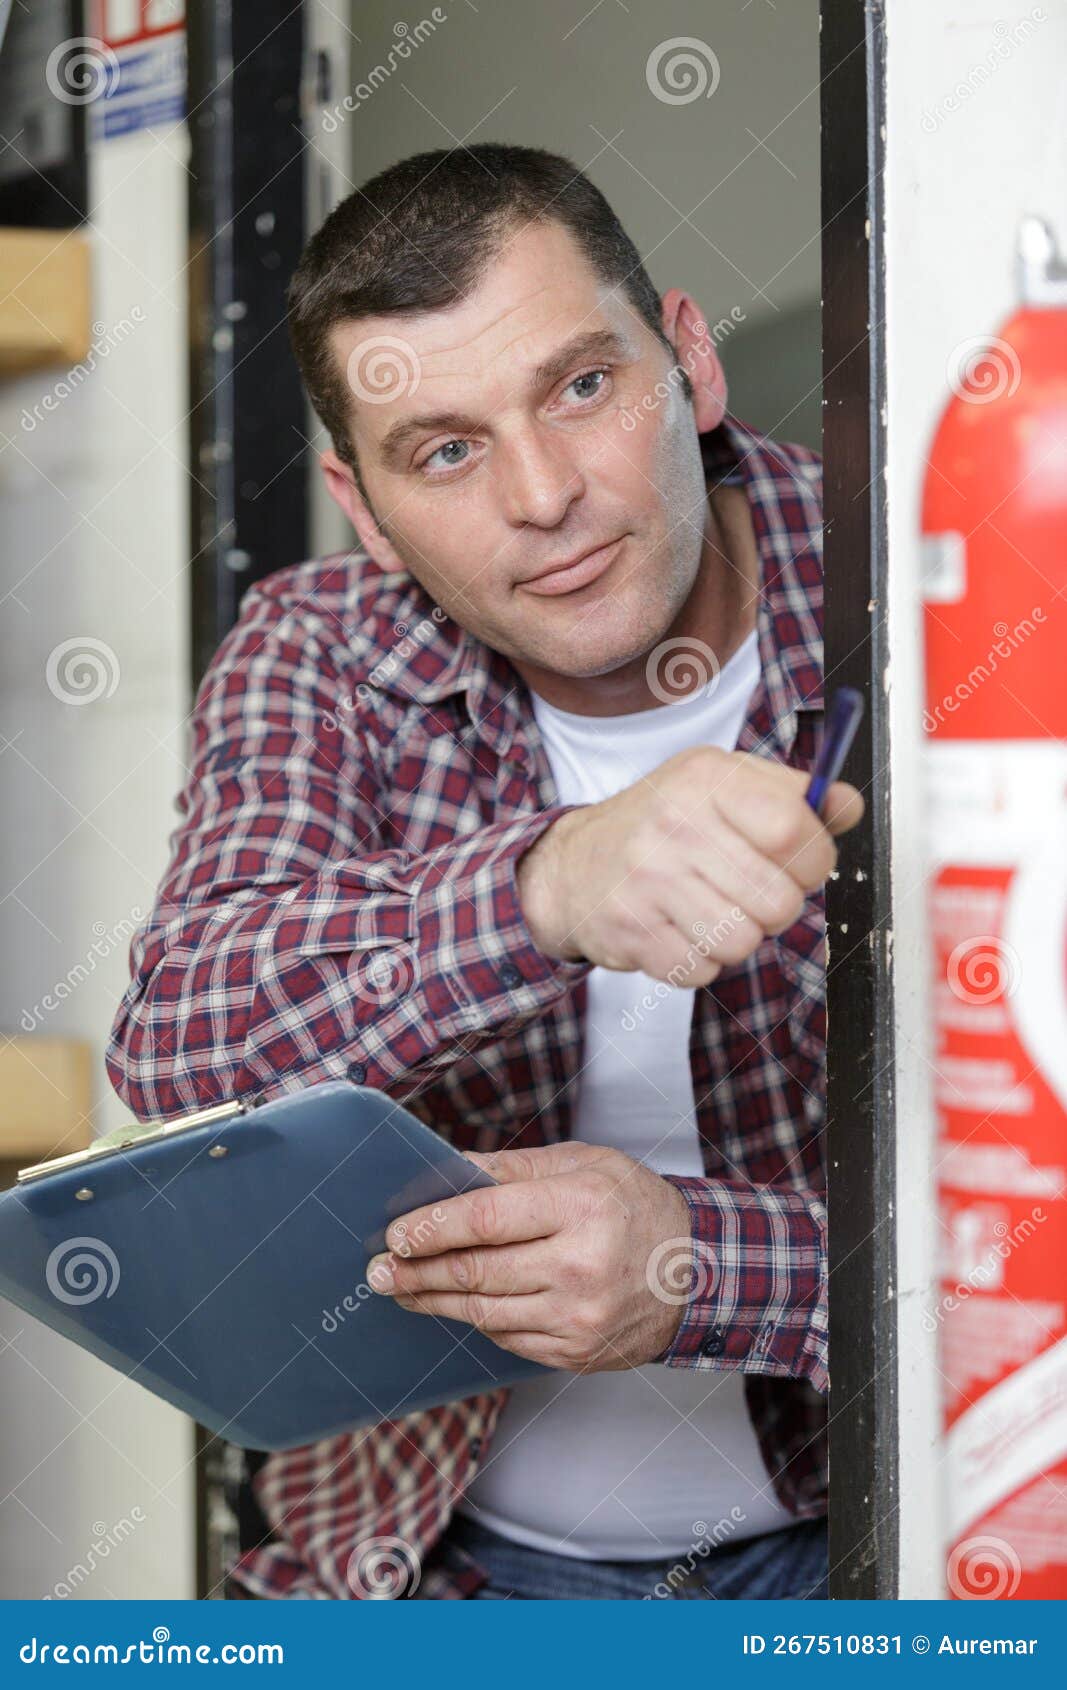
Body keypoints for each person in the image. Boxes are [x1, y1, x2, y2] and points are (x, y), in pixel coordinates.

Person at [107, 142, 862, 1601]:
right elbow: (183, 1043)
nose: (543, 495)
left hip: (860, 1557)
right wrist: (545, 889)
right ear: (367, 509)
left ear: (690, 363)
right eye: (444, 449)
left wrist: (702, 1264)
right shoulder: (320, 642)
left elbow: (1022, 1235)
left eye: (582, 387)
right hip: (431, 1566)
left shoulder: (928, 595)